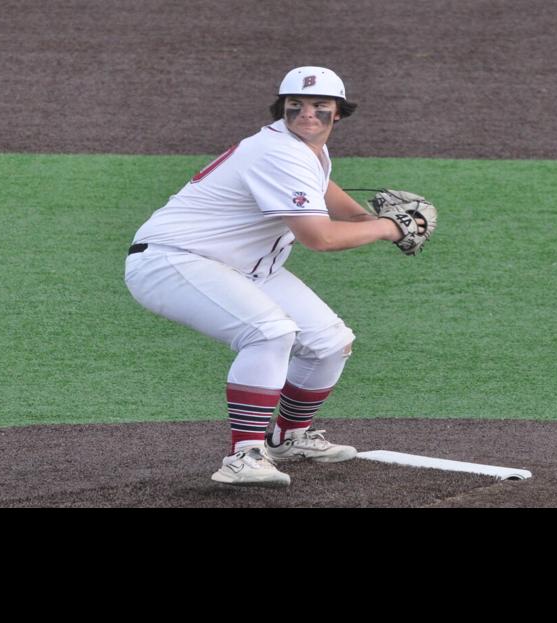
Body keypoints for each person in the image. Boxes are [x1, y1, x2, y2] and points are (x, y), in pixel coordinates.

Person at [123, 66, 424, 487]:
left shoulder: (306, 150)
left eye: (320, 107)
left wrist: (367, 219)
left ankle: (290, 437)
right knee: (270, 332)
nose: (307, 113)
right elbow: (318, 238)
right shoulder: (279, 151)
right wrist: (390, 228)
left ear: (338, 113)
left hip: (241, 266)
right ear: (282, 108)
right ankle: (244, 456)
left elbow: (322, 188)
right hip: (174, 261)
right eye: (295, 105)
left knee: (329, 343)